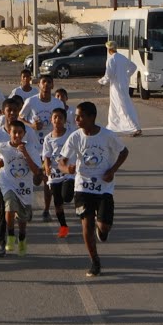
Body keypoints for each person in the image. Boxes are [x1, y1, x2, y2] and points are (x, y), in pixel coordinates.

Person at [59, 102, 129, 277]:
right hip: (82, 186)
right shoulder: (75, 137)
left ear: (91, 117)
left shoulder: (107, 136)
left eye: (80, 116)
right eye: (76, 116)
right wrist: (67, 169)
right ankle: (95, 261)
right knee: (87, 224)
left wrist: (112, 171)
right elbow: (61, 161)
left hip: (104, 187)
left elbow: (124, 151)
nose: (76, 119)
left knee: (104, 227)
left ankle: (102, 230)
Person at [0, 98, 42, 257]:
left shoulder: (28, 132)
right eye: (9, 110)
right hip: (5, 179)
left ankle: (21, 236)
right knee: (5, 209)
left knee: (22, 216)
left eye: (15, 110)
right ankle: (2, 243)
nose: (12, 113)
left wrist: (39, 174)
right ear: (3, 112)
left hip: (24, 180)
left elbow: (35, 153)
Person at [21, 75, 62, 221]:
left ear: (52, 85)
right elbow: (20, 118)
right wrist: (31, 125)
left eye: (49, 82)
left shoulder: (58, 103)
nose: (46, 85)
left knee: (47, 178)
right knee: (37, 179)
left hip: (50, 146)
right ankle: (27, 204)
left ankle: (46, 210)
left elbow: (62, 122)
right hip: (33, 146)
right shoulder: (31, 101)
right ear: (39, 85)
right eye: (43, 82)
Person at [41, 107, 75, 238]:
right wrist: (47, 167)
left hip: (68, 172)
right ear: (51, 120)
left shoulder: (71, 135)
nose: (57, 120)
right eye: (55, 117)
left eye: (60, 117)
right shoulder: (48, 138)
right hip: (55, 174)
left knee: (67, 196)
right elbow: (46, 156)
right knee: (58, 203)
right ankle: (63, 227)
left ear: (65, 120)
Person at [98, 41, 142, 137]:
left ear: (109, 49)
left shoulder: (111, 60)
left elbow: (108, 75)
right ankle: (112, 127)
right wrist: (126, 75)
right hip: (123, 85)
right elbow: (133, 67)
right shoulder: (122, 57)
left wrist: (102, 82)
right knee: (115, 106)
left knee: (122, 106)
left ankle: (135, 128)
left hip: (116, 87)